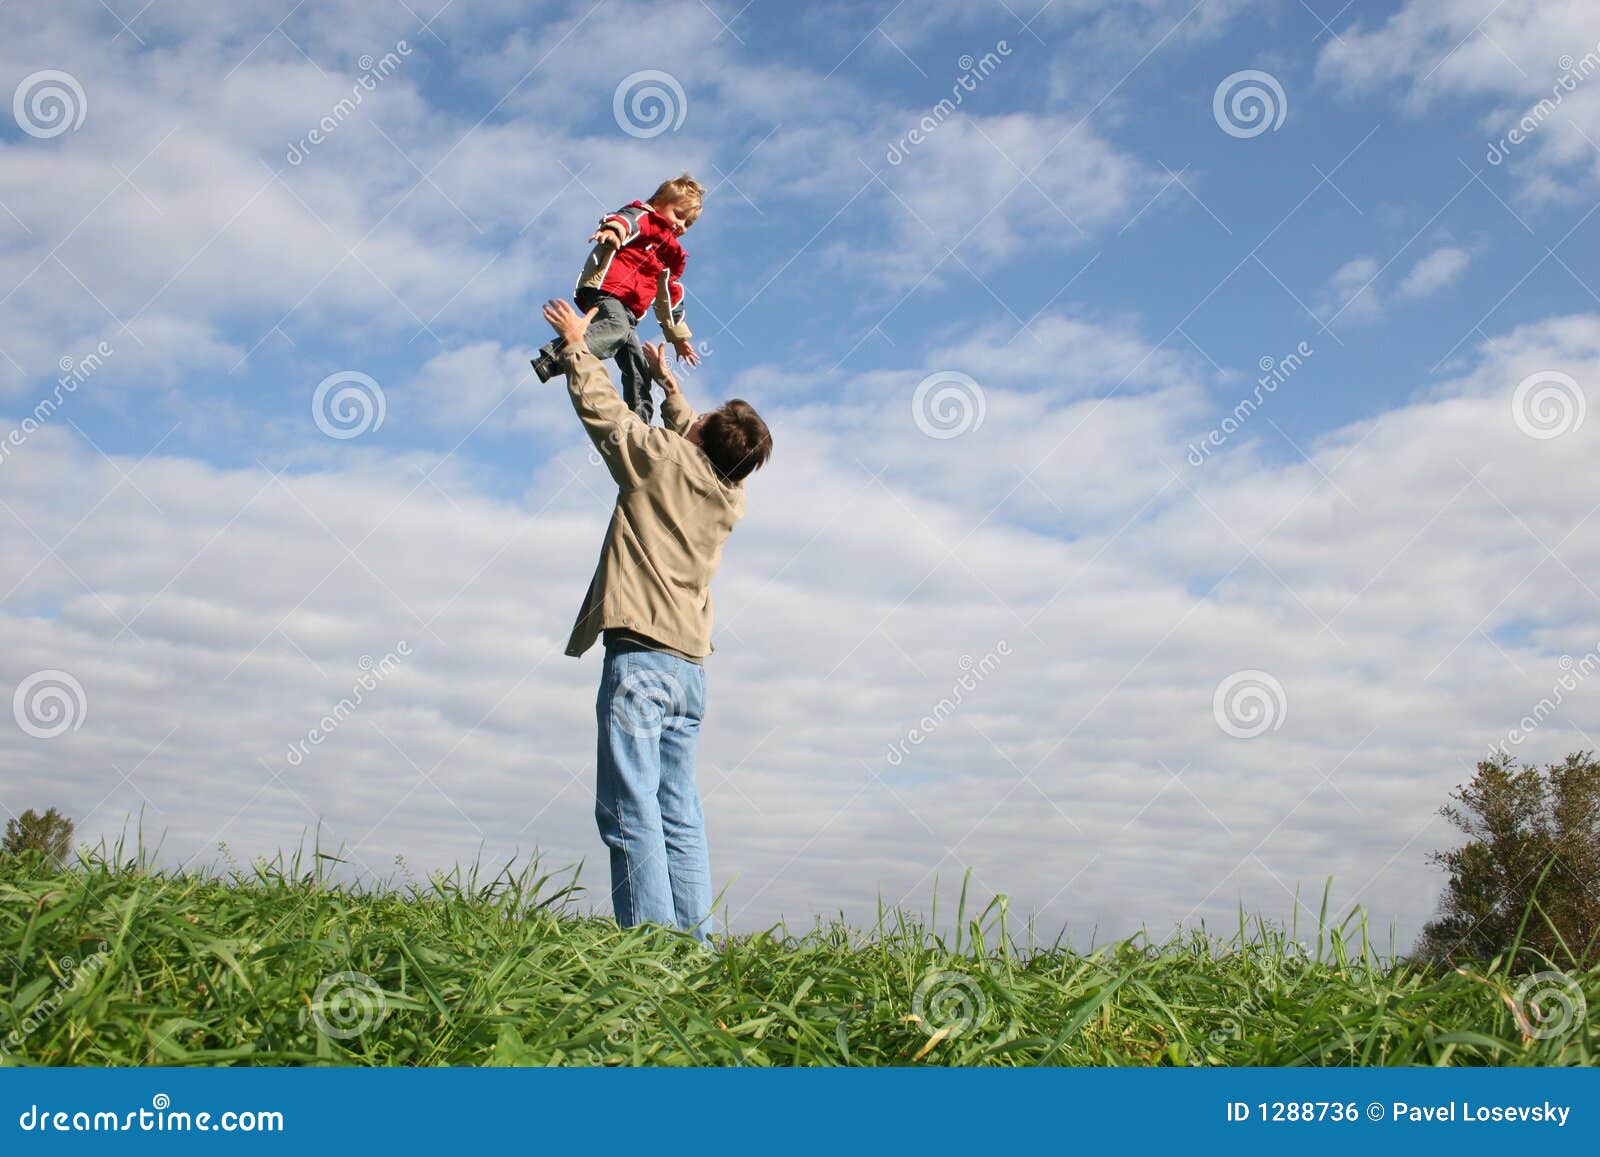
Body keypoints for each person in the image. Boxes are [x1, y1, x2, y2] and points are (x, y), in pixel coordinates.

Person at [541, 297, 772, 944]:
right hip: (690, 670)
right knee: (679, 811)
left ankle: (649, 954)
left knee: (628, 809)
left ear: (698, 440)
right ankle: (693, 949)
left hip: (641, 658)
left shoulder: (657, 461)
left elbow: (603, 412)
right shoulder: (731, 495)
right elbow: (697, 440)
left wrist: (575, 344)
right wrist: (671, 387)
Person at [531, 173, 704, 425]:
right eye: (678, 215)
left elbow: (669, 296)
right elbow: (625, 220)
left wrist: (678, 337)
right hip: (606, 290)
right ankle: (552, 357)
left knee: (638, 364)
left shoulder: (672, 255)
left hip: (630, 314)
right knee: (617, 328)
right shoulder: (646, 218)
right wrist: (612, 231)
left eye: (688, 223)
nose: (681, 225)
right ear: (657, 203)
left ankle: (639, 423)